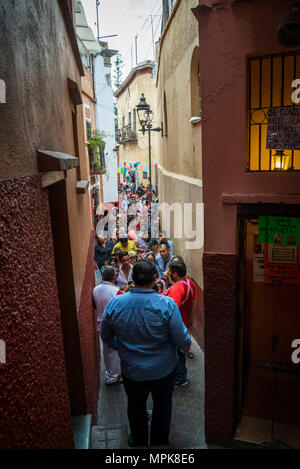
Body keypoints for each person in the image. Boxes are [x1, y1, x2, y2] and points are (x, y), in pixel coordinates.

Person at [101, 260, 191, 447]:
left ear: (132, 279)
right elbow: (182, 340)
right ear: (154, 279)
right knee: (162, 407)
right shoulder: (166, 305)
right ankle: (159, 442)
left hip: (132, 370)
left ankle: (139, 440)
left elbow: (106, 336)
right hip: (163, 371)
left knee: (135, 406)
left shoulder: (116, 303)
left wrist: (122, 346)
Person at [165, 261, 197, 387]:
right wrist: (190, 320)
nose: (168, 274)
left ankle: (179, 378)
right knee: (181, 352)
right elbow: (193, 303)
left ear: (175, 274)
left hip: (176, 326)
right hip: (184, 322)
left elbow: (172, 310)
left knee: (176, 353)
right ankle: (182, 376)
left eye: (170, 271)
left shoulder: (177, 288)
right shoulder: (191, 284)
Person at [93, 266, 123, 384]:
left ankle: (111, 373)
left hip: (101, 324)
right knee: (115, 352)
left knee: (106, 351)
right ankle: (114, 376)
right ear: (114, 277)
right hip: (114, 326)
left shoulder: (95, 290)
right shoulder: (116, 291)